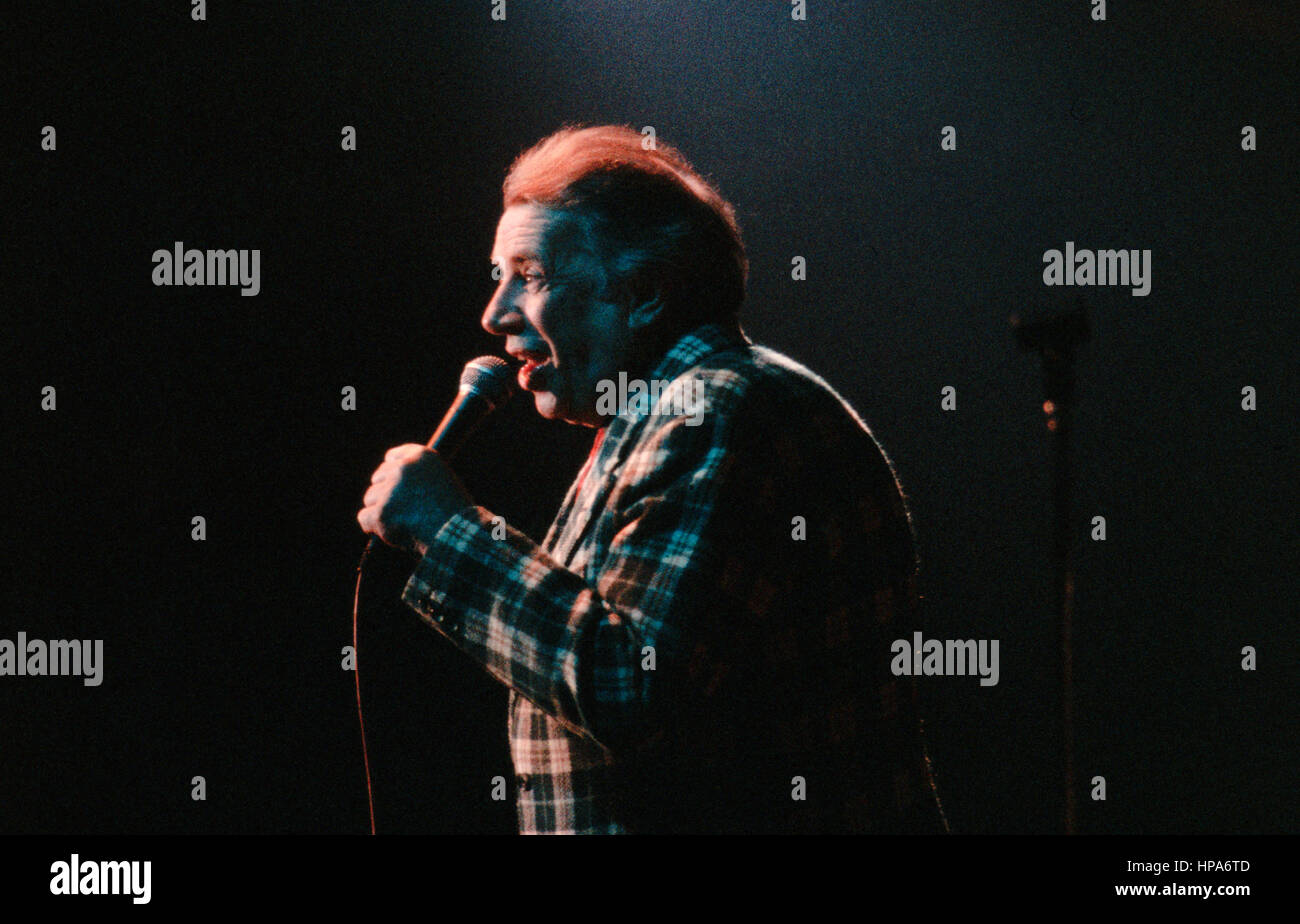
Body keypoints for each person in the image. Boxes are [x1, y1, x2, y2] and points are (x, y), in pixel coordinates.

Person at [358, 124, 947, 834]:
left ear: (643, 292)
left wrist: (448, 534)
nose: (495, 313)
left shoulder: (717, 411)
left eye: (531, 275)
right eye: (499, 275)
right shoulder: (662, 416)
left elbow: (631, 684)